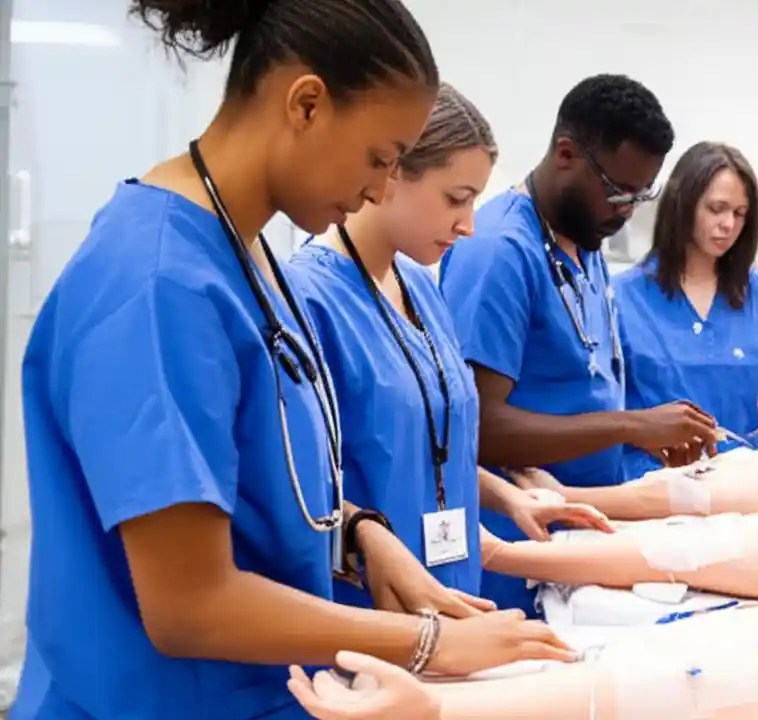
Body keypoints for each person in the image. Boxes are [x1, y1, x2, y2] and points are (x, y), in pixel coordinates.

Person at [12, 3, 568, 718]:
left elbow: (256, 483)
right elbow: (189, 603)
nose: (379, 189)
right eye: (379, 158)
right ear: (305, 105)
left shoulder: (251, 258)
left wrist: (360, 535)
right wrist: (424, 642)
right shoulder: (157, 282)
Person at [287, 83, 611, 615]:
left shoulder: (419, 286)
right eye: (455, 199)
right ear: (391, 171)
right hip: (371, 614)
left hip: (456, 590)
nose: (468, 224)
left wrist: (507, 496)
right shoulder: (310, 299)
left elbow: (428, 444)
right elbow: (300, 485)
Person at [438, 74, 719, 615]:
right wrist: (632, 426)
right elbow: (477, 428)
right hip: (516, 551)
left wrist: (647, 435)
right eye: (618, 192)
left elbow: (580, 387)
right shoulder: (499, 252)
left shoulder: (584, 243)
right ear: (566, 153)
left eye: (641, 196)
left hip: (579, 536)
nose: (626, 212)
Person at [613, 141, 758, 479]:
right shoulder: (624, 297)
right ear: (682, 205)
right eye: (716, 209)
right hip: (651, 486)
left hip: (738, 484)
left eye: (740, 214)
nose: (728, 224)